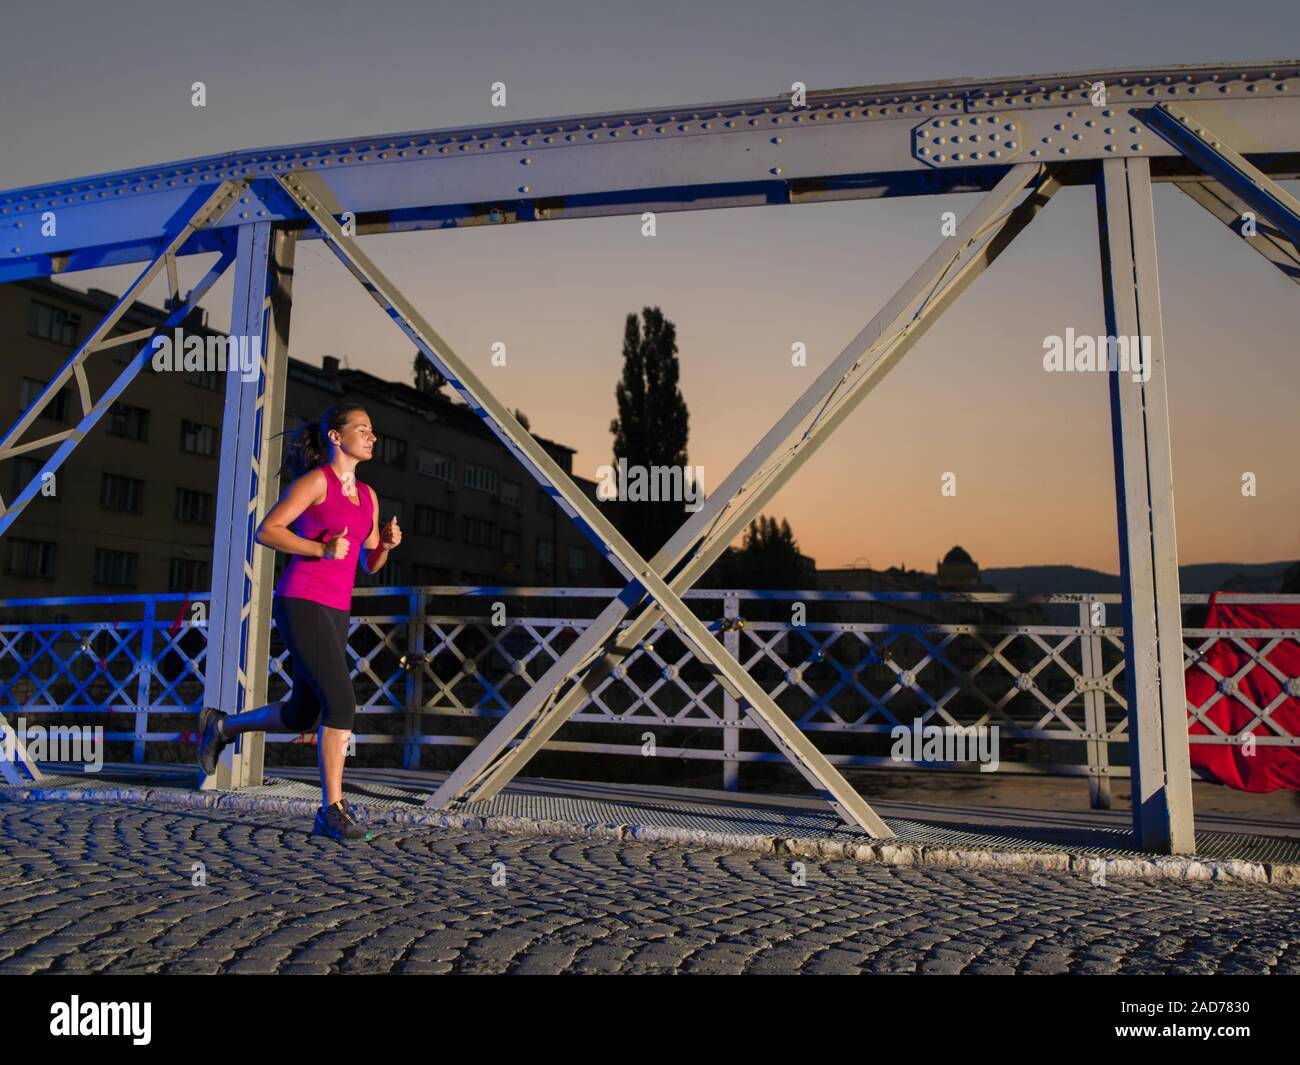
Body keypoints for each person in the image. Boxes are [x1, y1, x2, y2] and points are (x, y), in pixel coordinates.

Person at [195, 400, 402, 843]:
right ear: (336, 436)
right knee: (342, 703)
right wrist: (318, 550)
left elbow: (368, 564)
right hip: (301, 600)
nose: (372, 436)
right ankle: (331, 810)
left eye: (372, 431)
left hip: (337, 609)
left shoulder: (368, 496)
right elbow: (267, 530)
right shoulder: (316, 482)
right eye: (362, 429)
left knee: (303, 713)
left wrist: (383, 544)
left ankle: (220, 726)